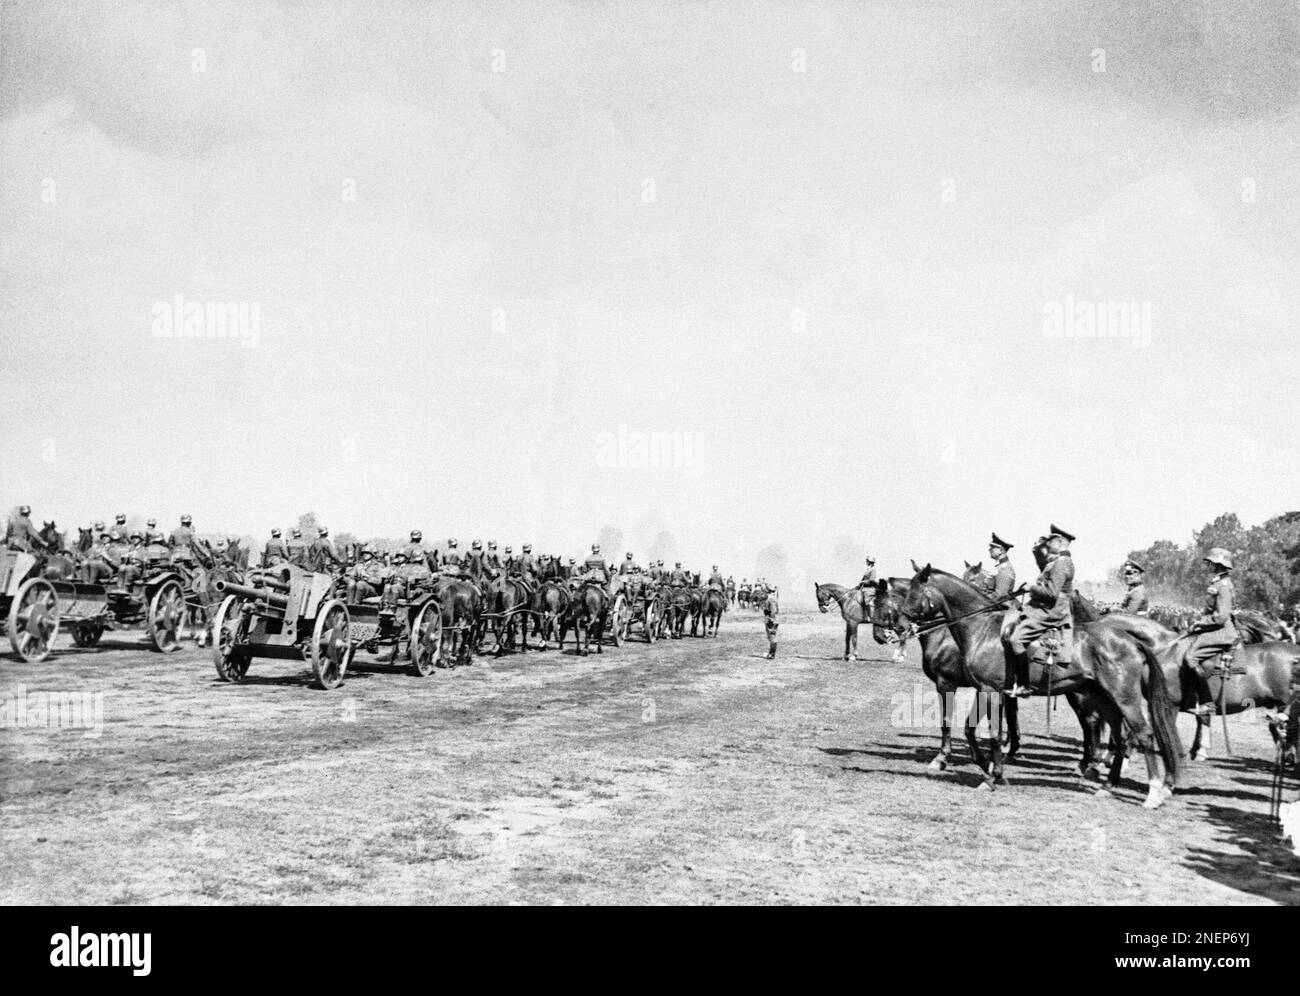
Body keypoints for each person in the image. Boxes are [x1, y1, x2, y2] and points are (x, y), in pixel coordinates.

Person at [1007, 524, 1075, 698]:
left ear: (1059, 542)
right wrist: (1037, 549)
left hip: (1051, 611)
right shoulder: (1059, 561)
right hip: (1045, 608)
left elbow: (1052, 593)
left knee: (1016, 640)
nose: (1048, 543)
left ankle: (1024, 685)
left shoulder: (1061, 563)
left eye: (1051, 540)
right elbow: (1042, 566)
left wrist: (1031, 588)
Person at [1183, 548, 1237, 718]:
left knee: (1190, 657)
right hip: (1214, 627)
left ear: (1218, 564)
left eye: (1211, 562)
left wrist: (1200, 623)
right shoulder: (1217, 582)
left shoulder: (1223, 585)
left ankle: (1207, 702)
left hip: (1222, 631)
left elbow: (1221, 617)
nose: (1208, 565)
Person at [986, 533, 1016, 600]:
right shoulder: (1000, 566)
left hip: (1001, 608)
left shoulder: (1005, 568)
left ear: (1001, 550)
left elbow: (1000, 595)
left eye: (992, 547)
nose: (989, 550)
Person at [763, 585, 780, 659]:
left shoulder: (771, 599)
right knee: (772, 637)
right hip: (774, 619)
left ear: (769, 591)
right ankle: (771, 653)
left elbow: (773, 610)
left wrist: (771, 619)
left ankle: (771, 654)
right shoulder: (774, 599)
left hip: (771, 620)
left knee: (772, 637)